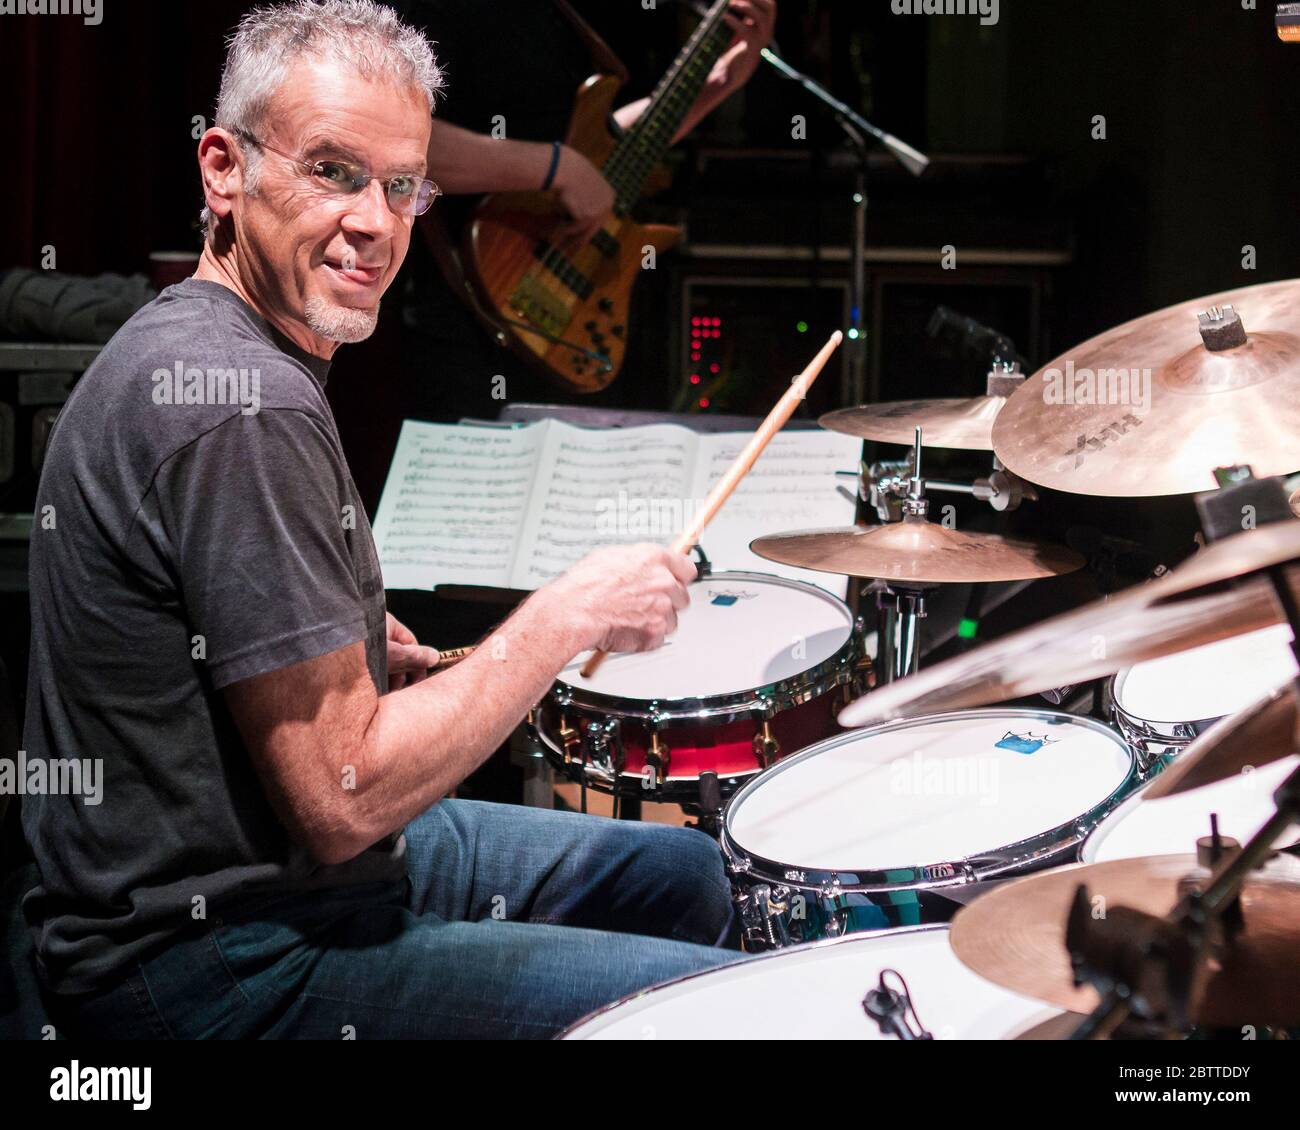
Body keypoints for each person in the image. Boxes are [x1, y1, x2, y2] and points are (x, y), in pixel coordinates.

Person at [21, 0, 745, 1041]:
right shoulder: (239, 402)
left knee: (682, 872)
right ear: (222, 168)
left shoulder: (213, 342)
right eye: (332, 171)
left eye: (402, 184)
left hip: (279, 872)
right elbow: (344, 796)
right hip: (211, 957)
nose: (375, 220)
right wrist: (562, 619)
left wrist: (344, 640)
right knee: (702, 1014)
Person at [389, 0, 778, 424]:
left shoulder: (560, 16)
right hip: (462, 313)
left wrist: (719, 82)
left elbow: (598, 149)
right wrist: (556, 169)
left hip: (565, 315)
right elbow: (394, 140)